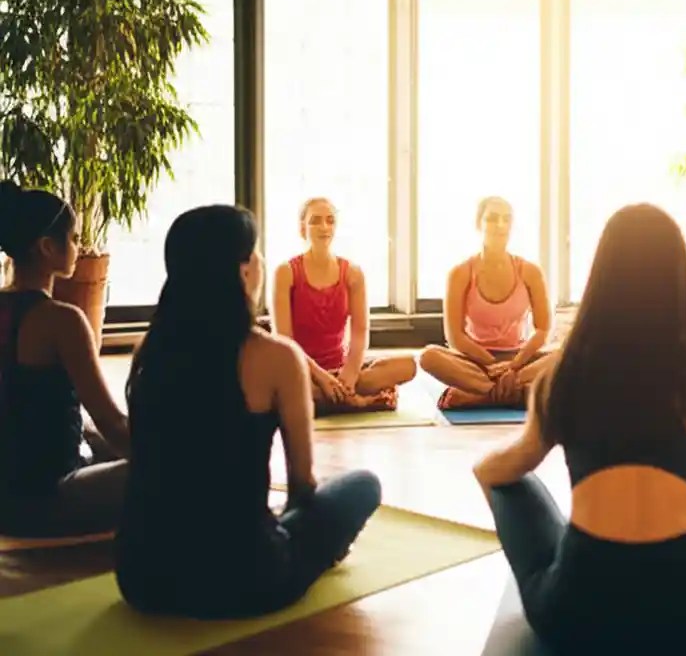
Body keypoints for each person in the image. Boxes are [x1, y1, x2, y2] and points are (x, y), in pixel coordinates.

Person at [473, 204, 686, 654]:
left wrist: (487, 472)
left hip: (572, 619)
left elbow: (497, 470)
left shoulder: (564, 376)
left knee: (514, 485)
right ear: (676, 283)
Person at [115, 205, 381, 618]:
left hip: (143, 578)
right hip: (246, 579)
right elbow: (302, 486)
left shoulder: (148, 351)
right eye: (253, 253)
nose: (260, 262)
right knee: (363, 485)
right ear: (240, 271)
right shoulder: (276, 356)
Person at [0, 182, 130, 537]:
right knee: (177, 463)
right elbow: (113, 422)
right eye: (73, 239)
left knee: (87, 430)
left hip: (5, 492)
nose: (79, 246)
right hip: (44, 501)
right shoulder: (62, 321)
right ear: (46, 247)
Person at [272, 197, 417, 414]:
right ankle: (357, 403)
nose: (324, 227)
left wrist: (349, 373)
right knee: (283, 389)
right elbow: (284, 341)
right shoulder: (286, 273)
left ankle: (334, 398)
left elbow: (360, 331)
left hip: (341, 370)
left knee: (408, 366)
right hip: (302, 371)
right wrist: (321, 377)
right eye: (315, 221)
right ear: (302, 228)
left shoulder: (352, 273)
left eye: (330, 221)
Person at [419, 196, 552, 409]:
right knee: (428, 356)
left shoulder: (530, 272)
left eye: (506, 219)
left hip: (519, 360)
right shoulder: (460, 273)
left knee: (568, 355)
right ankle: (518, 394)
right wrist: (493, 365)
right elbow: (455, 337)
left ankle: (483, 395)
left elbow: (543, 329)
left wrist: (514, 365)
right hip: (477, 362)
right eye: (492, 218)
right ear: (478, 223)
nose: (500, 225)